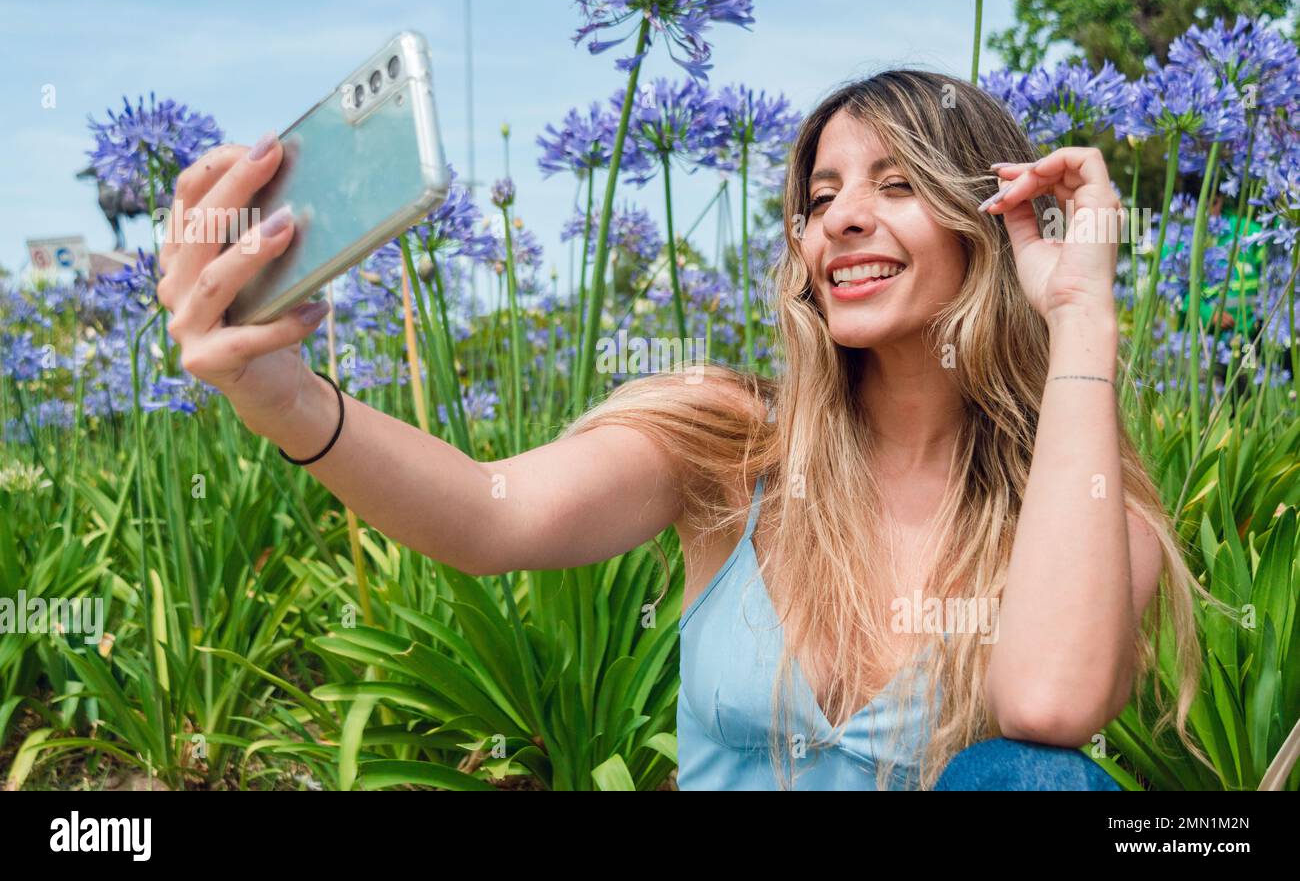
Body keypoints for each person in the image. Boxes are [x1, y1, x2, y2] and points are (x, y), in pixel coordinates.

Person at [157, 69, 1212, 791]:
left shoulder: (1075, 517)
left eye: (897, 185)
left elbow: (1048, 704)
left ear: (994, 229)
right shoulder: (734, 441)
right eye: (821, 194)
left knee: (1030, 774)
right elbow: (490, 515)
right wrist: (280, 393)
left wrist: (1078, 317)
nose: (840, 217)